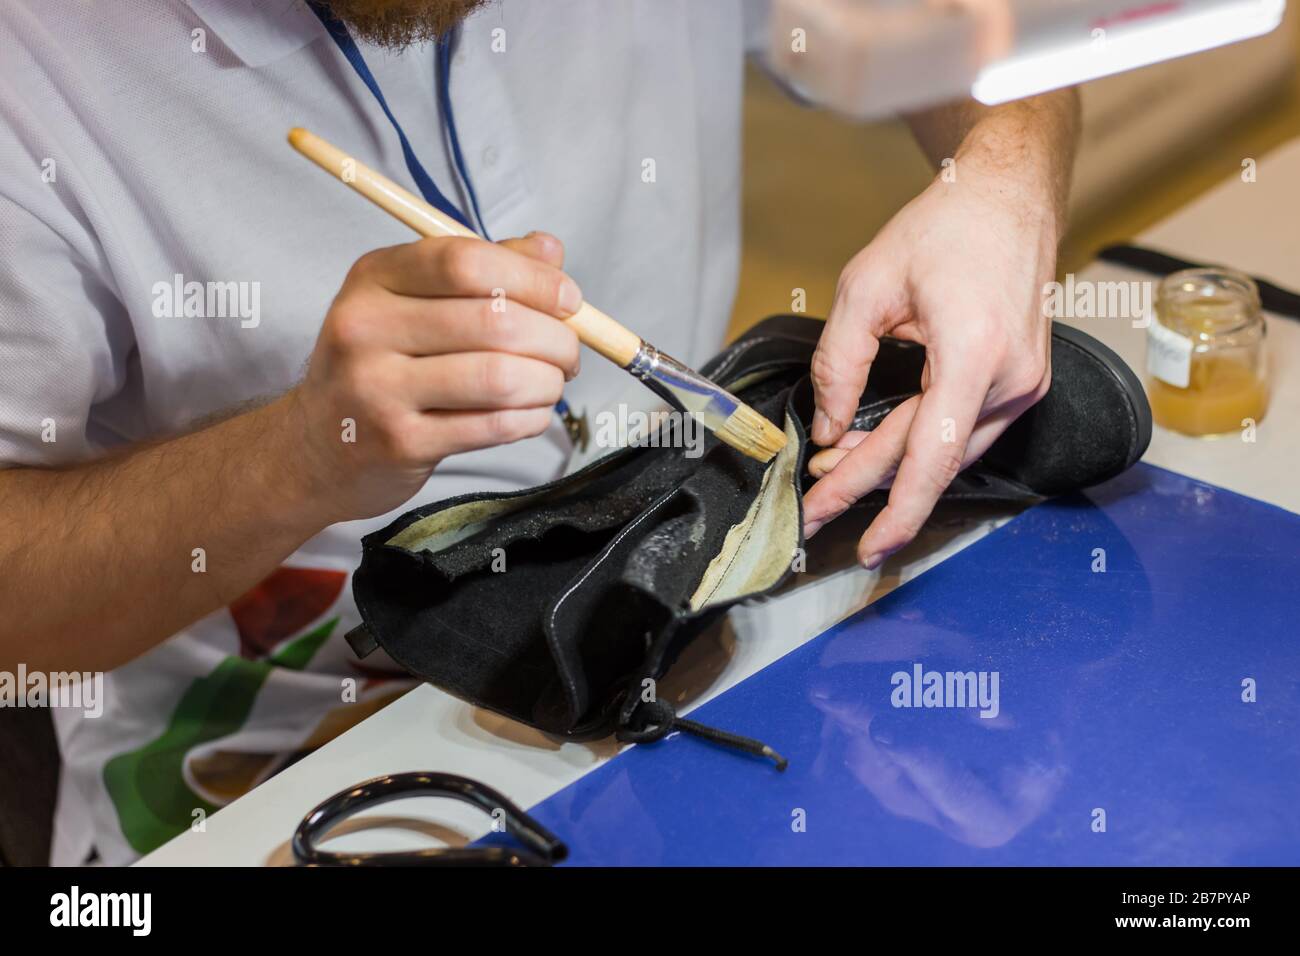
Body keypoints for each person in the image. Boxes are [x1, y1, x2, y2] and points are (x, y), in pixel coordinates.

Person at [0, 0, 1078, 863]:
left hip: (685, 647)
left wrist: (1004, 175)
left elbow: (977, 25)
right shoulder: (34, 73)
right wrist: (298, 454)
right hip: (273, 778)